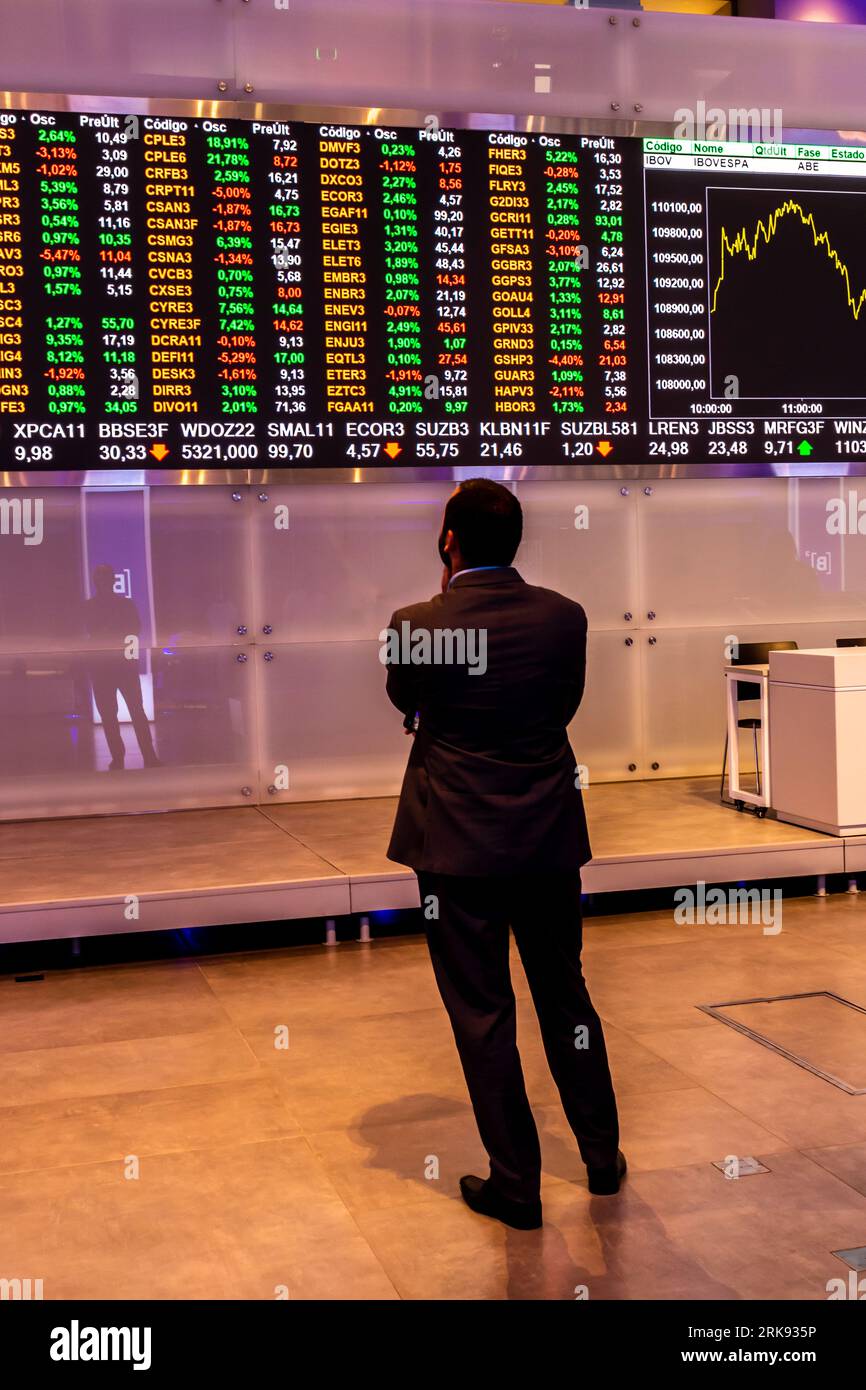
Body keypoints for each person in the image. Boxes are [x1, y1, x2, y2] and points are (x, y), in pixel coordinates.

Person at [383, 478, 624, 1230]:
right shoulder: (564, 617)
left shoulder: (417, 622)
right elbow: (562, 706)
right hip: (548, 836)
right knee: (565, 995)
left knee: (482, 1013)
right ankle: (600, 1157)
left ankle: (516, 1185)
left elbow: (404, 700)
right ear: (516, 541)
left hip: (455, 847)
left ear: (449, 542)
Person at [83, 564, 161, 771]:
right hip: (109, 666)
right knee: (120, 714)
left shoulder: (116, 605)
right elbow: (131, 629)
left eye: (104, 577)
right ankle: (132, 756)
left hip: (116, 666)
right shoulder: (105, 606)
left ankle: (134, 756)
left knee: (129, 712)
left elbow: (133, 629)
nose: (102, 581)